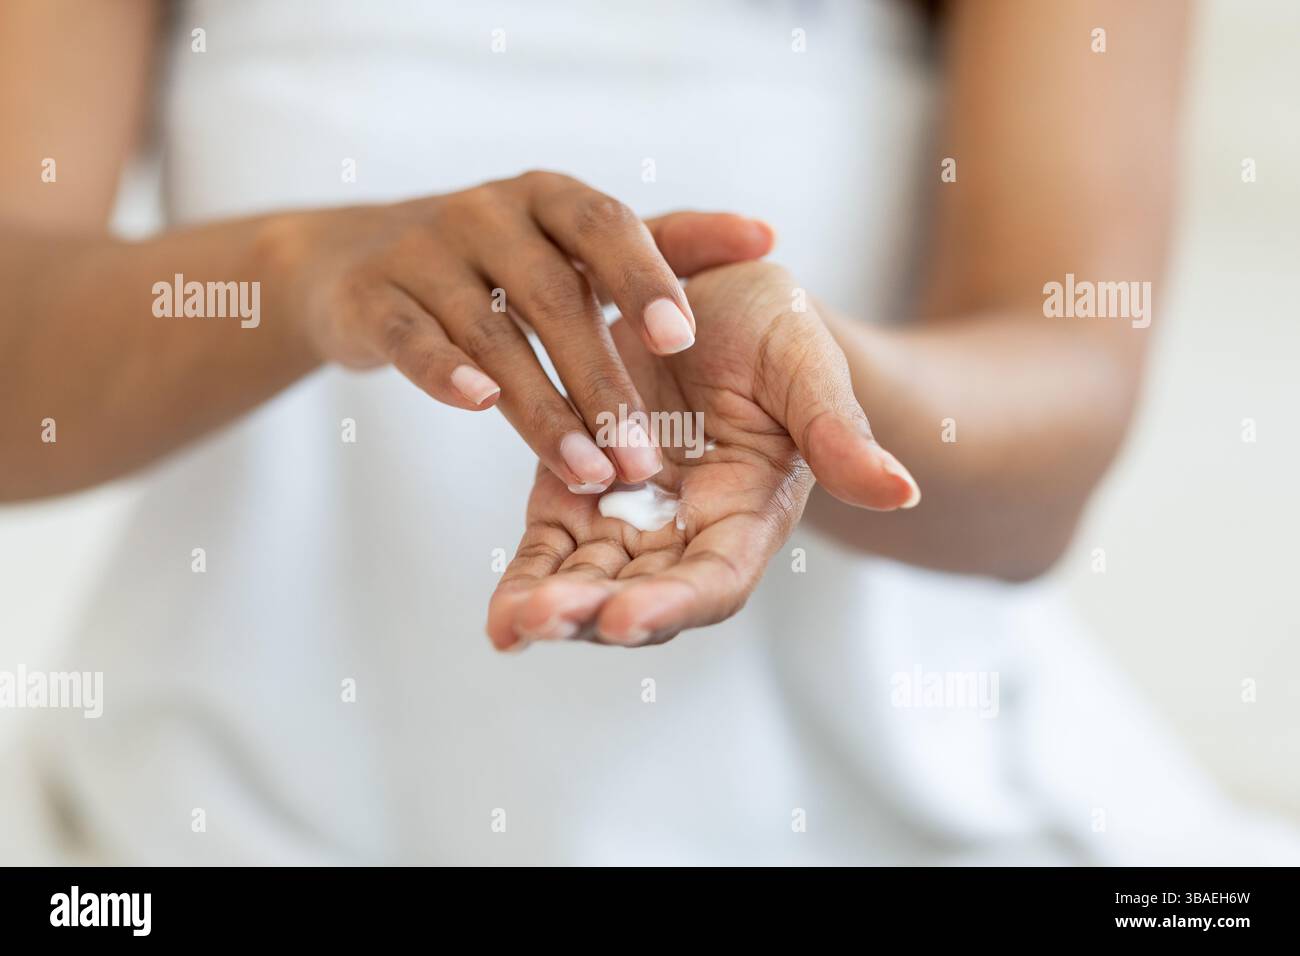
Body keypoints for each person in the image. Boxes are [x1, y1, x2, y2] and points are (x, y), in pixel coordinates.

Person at [5, 0, 1289, 865]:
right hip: (210, 816)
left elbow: (1055, 444)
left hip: (888, 819)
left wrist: (817, 387)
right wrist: (310, 267)